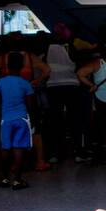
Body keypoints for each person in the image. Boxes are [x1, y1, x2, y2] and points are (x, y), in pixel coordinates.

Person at [0, 52, 36, 190]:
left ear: (7, 65)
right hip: (22, 118)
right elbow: (30, 105)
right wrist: (34, 119)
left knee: (5, 148)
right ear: (22, 66)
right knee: (19, 148)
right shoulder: (25, 83)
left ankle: (5, 178)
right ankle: (17, 180)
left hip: (6, 119)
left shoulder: (1, 82)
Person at [44, 23, 82, 162]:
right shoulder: (71, 46)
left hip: (53, 85)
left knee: (55, 120)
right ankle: (77, 152)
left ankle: (55, 153)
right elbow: (77, 62)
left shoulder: (46, 46)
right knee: (74, 119)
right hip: (72, 85)